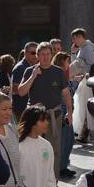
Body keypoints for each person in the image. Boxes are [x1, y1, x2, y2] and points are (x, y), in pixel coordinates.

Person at [15, 42, 70, 178]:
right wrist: (33, 76)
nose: (45, 57)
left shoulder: (58, 71)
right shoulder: (30, 70)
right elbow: (21, 92)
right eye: (42, 54)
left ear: (52, 55)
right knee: (33, 148)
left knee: (54, 150)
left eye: (48, 54)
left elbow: (66, 94)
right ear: (38, 56)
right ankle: (34, 179)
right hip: (35, 117)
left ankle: (53, 181)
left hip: (54, 115)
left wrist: (70, 112)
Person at [9, 42, 38, 121]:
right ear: (25, 53)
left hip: (28, 109)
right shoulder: (21, 67)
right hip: (21, 110)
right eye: (33, 53)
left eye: (37, 52)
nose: (35, 55)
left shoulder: (32, 66)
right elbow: (15, 90)